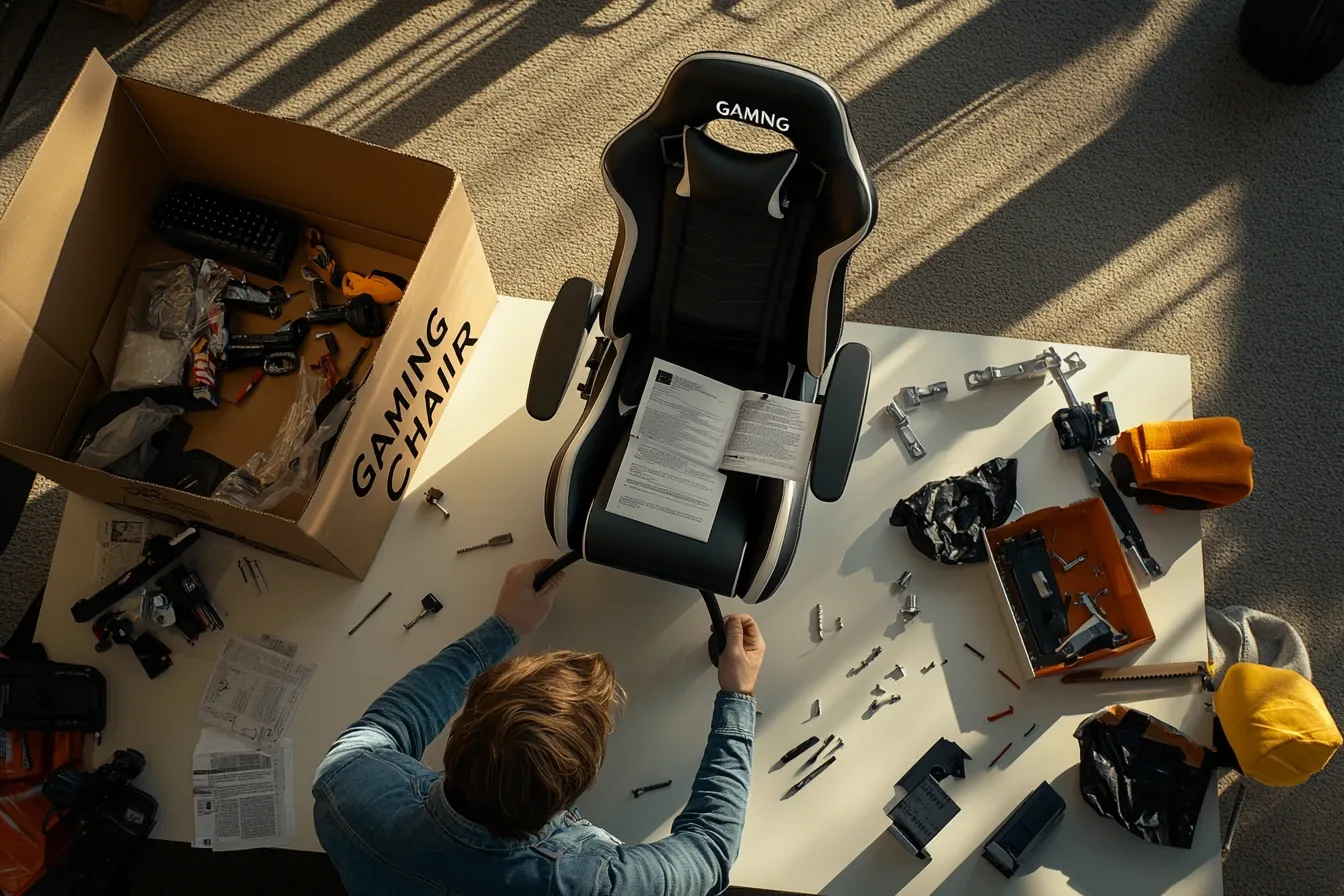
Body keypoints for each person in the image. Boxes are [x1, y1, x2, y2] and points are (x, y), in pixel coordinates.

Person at [313, 558, 766, 896]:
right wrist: (738, 696)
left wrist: (504, 625)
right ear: (580, 786)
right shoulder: (589, 885)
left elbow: (390, 721)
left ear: (463, 723)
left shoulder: (344, 787)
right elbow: (711, 848)